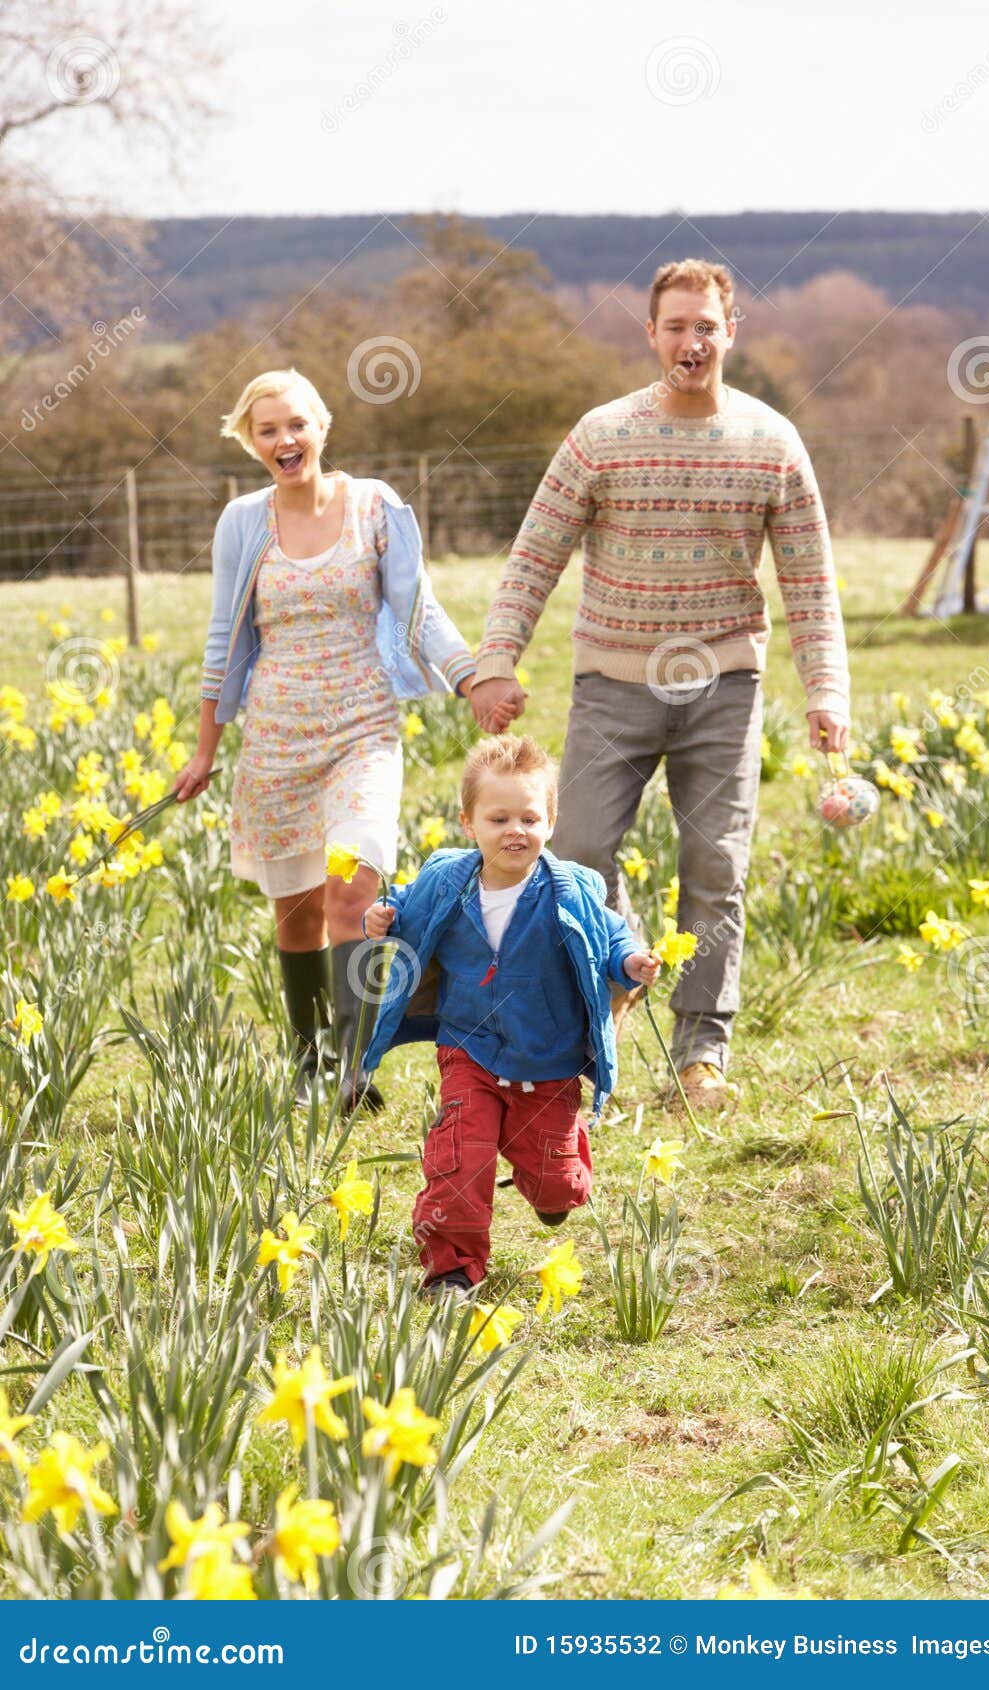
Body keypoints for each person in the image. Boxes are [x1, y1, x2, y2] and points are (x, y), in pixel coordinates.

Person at [468, 258, 851, 1115]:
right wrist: (497, 659)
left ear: (729, 331)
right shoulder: (601, 435)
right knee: (577, 855)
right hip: (612, 683)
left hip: (725, 685)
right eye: (675, 327)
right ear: (651, 335)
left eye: (705, 325)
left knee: (715, 865)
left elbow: (810, 584)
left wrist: (826, 692)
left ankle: (699, 1057)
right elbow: (534, 556)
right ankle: (617, 970)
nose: (690, 342)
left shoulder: (771, 442)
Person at [175, 368, 507, 1111]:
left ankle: (352, 1070)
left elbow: (419, 608)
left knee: (352, 888)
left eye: (295, 424)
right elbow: (224, 638)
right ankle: (310, 1064)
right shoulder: (242, 521)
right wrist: (204, 748)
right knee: (293, 910)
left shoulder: (375, 507)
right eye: (266, 430)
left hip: (362, 728)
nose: (283, 440)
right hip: (275, 736)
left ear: (321, 426)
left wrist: (470, 678)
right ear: (250, 440)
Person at [361, 734, 661, 1295]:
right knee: (459, 1156)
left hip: (548, 1058)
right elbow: (404, 906)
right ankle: (452, 1267)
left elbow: (611, 936)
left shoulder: (570, 891)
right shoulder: (447, 880)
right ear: (468, 824)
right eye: (498, 818)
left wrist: (631, 962)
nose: (514, 831)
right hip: (468, 1049)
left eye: (529, 817)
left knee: (557, 1187)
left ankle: (561, 1174)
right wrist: (382, 919)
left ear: (550, 820)